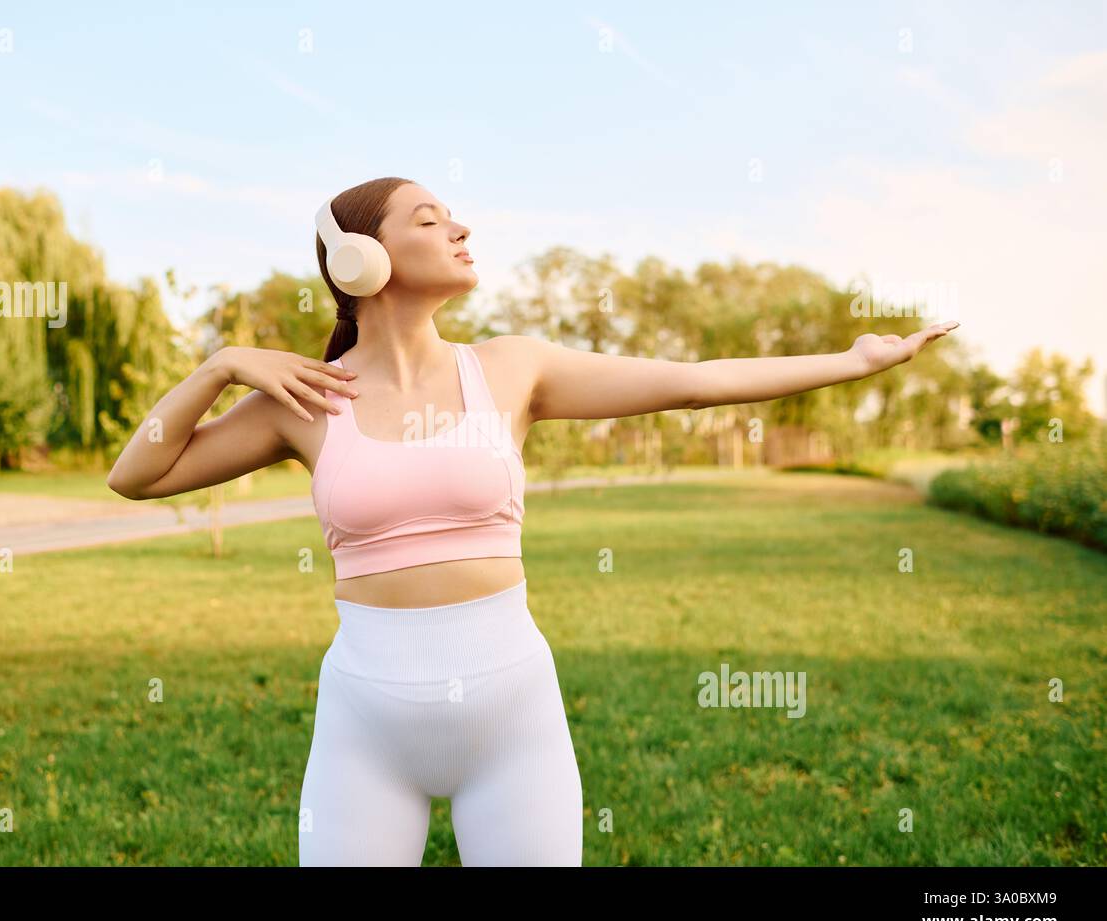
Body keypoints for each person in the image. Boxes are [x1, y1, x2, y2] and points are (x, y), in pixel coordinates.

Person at [105, 176, 958, 865]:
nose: (462, 229)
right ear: (360, 257)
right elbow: (138, 474)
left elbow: (692, 379)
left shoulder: (511, 368)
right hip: (366, 724)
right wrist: (219, 368)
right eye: (433, 219)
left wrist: (853, 362)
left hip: (511, 713)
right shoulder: (305, 398)